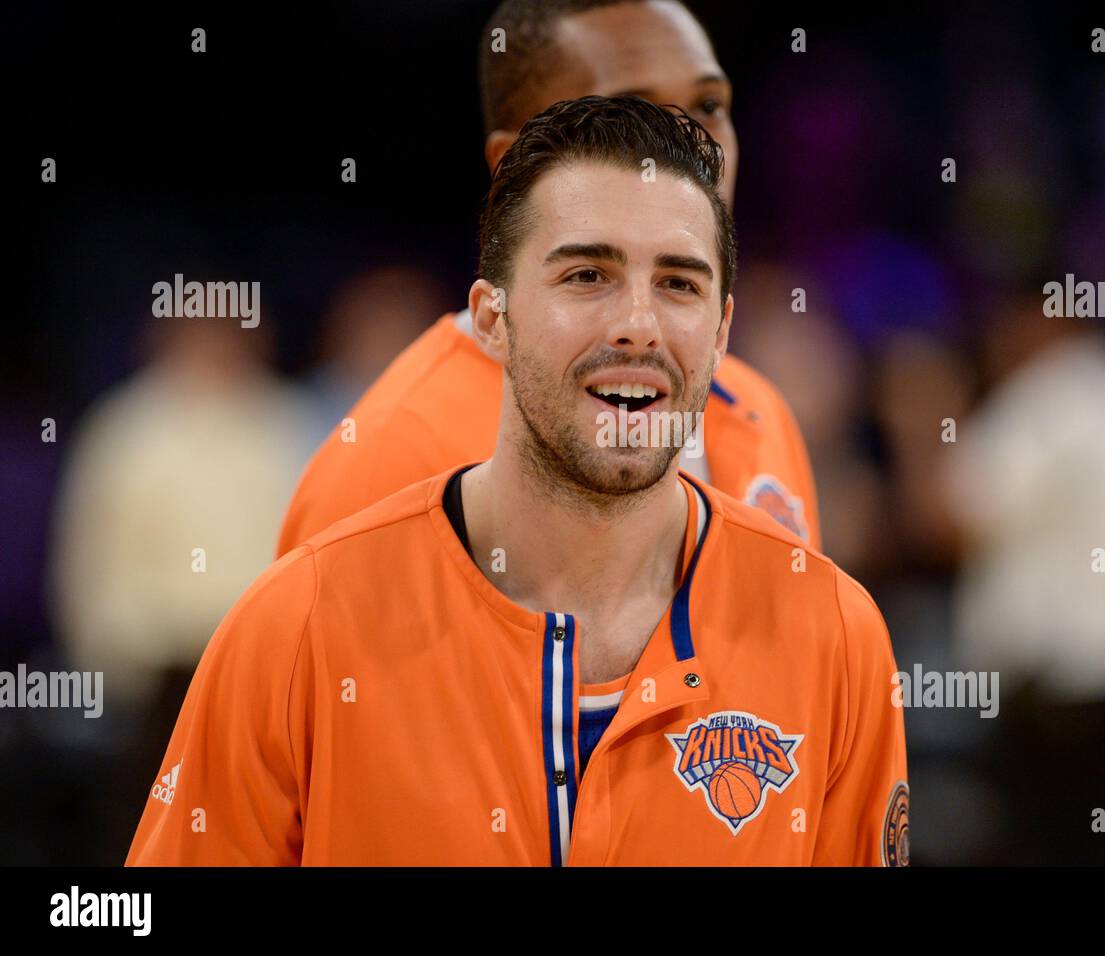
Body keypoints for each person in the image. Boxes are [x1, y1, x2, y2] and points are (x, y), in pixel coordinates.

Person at [126, 97, 907, 866]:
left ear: (722, 331)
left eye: (678, 284)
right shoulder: (297, 626)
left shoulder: (834, 634)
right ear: (491, 321)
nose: (638, 322)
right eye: (587, 275)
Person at [276, 0, 820, 556]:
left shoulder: (762, 414)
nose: (689, 154)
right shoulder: (390, 458)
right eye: (630, 117)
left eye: (707, 106)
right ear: (515, 164)